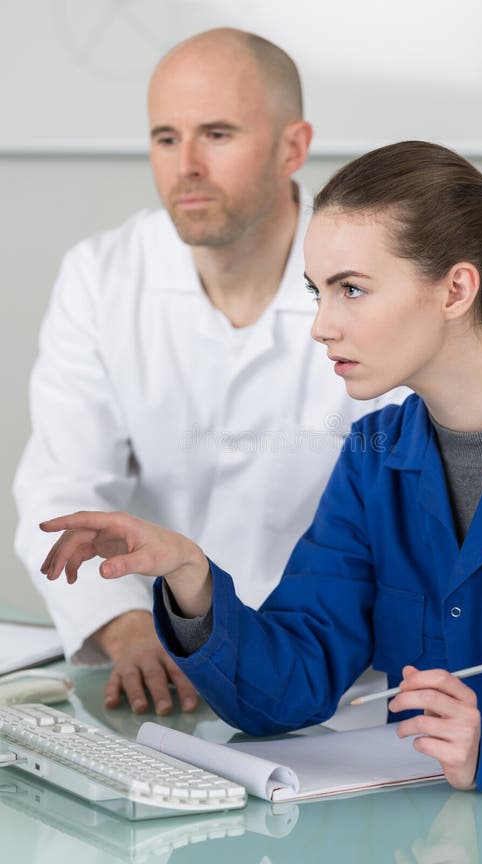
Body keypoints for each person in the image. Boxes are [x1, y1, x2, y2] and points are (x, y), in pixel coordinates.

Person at [39, 139, 482, 813]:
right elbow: (292, 683)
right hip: (422, 833)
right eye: (316, 292)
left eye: (351, 289)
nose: (322, 327)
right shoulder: (374, 455)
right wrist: (191, 578)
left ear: (456, 289)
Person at [14, 28, 404, 717]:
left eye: (217, 134)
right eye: (166, 138)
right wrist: (131, 627)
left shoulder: (373, 277)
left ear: (293, 146)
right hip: (164, 670)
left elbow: (404, 515)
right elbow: (61, 487)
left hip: (346, 686)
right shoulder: (104, 277)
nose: (186, 164)